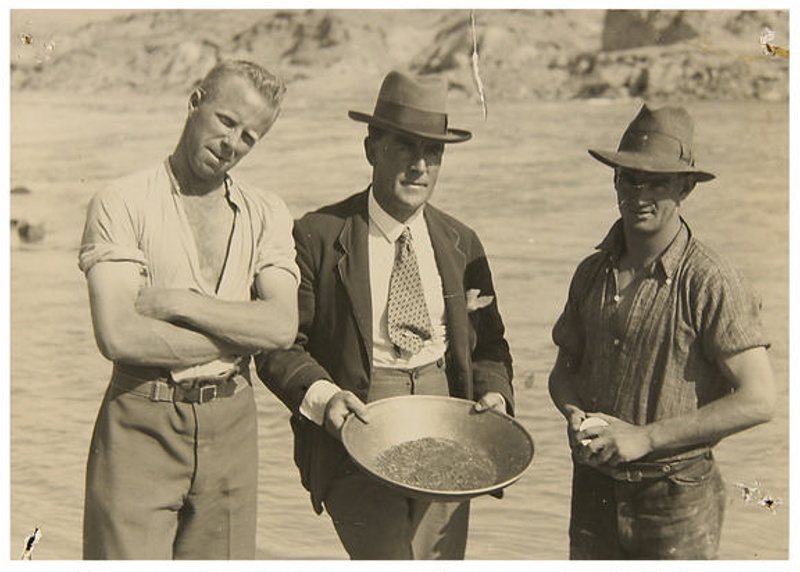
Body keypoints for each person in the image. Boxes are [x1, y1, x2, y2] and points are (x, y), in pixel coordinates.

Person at [255, 70, 514, 560]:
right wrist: (327, 400)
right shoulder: (315, 237)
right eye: (405, 147)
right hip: (356, 431)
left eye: (433, 152)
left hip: (450, 430)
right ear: (371, 147)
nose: (420, 166)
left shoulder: (462, 242)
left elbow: (490, 347)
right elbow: (279, 346)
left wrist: (494, 394)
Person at [78, 60, 299, 559]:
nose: (232, 144)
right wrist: (243, 331)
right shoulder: (122, 201)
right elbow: (117, 335)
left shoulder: (268, 212)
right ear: (195, 101)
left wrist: (181, 303)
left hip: (233, 426)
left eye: (249, 137)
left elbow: (283, 326)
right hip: (141, 421)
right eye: (226, 121)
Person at [548, 104, 776, 559]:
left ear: (686, 187)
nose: (640, 194)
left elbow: (759, 399)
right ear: (614, 180)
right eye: (630, 178)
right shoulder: (590, 273)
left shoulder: (712, 280)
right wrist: (574, 413)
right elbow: (562, 372)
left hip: (676, 499)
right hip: (593, 489)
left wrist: (646, 438)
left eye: (658, 182)